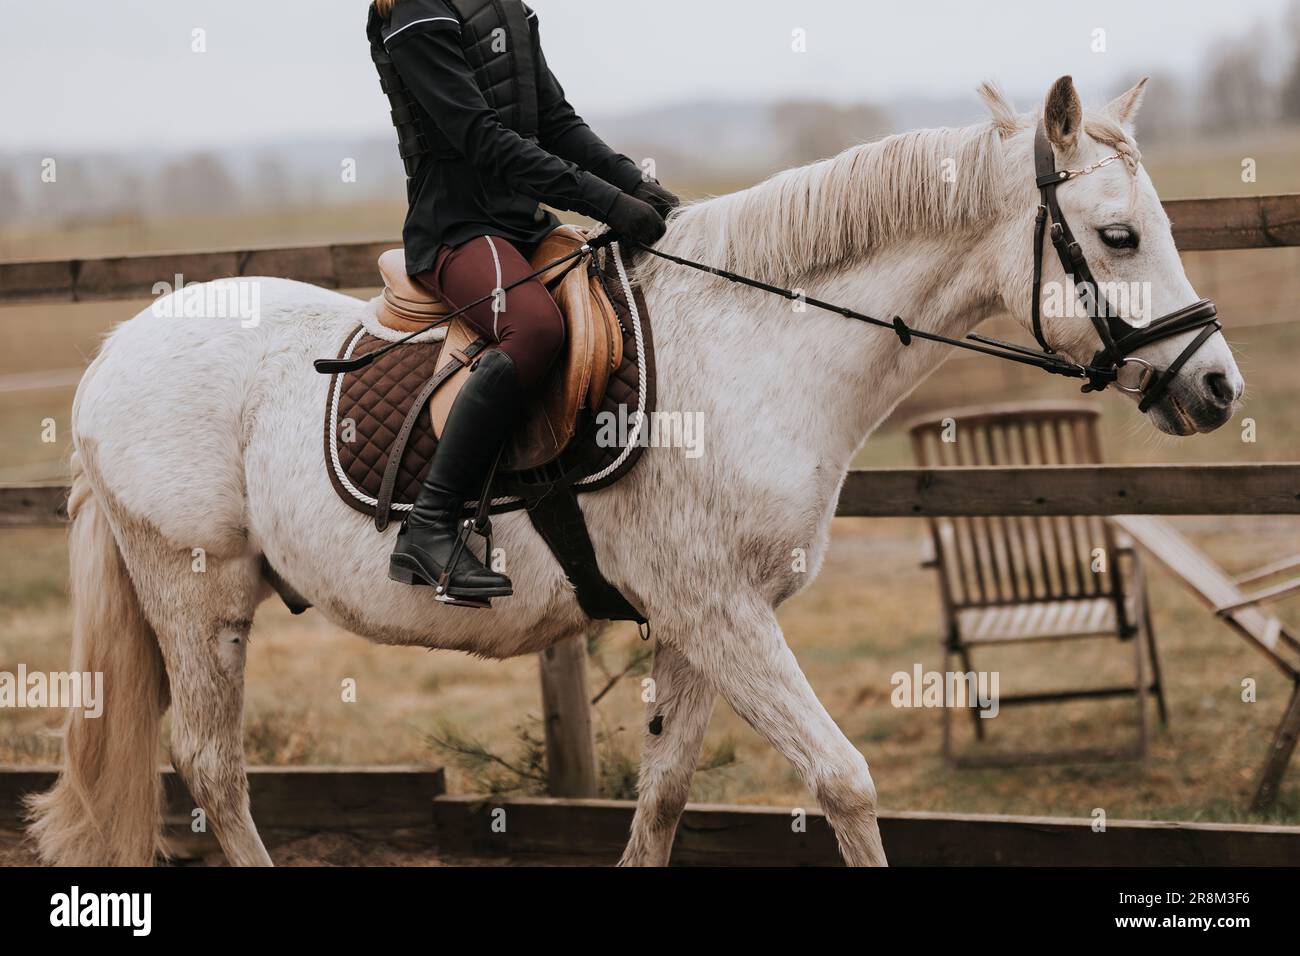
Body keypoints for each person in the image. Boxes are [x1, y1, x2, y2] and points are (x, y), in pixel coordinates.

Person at [367, 0, 679, 603]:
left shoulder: (505, 6)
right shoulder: (414, 12)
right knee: (534, 328)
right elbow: (480, 138)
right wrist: (606, 204)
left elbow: (556, 121)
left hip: (523, 225)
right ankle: (428, 525)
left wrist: (634, 185)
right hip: (457, 230)